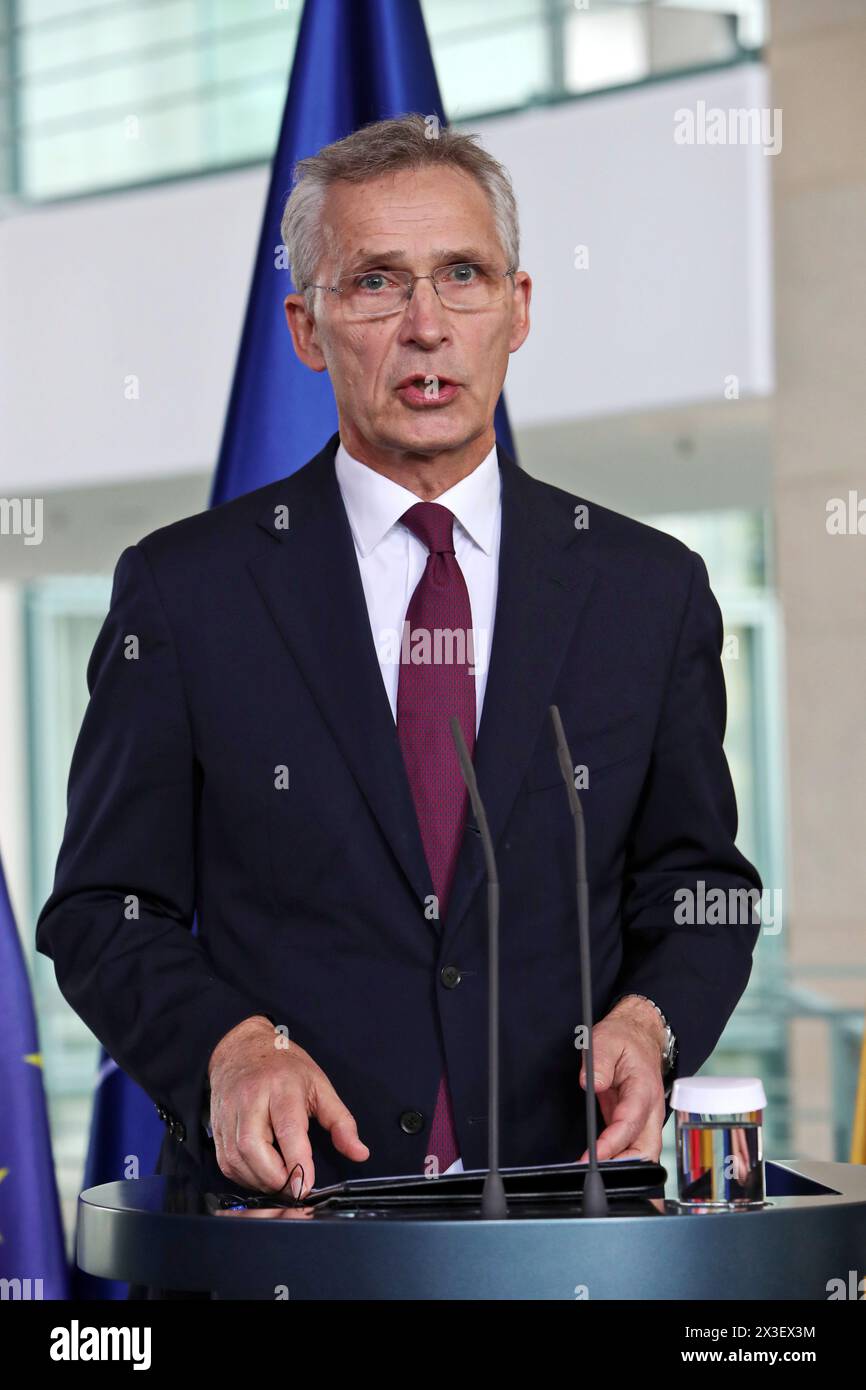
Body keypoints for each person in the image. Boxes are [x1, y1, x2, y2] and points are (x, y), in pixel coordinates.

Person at [37, 114, 761, 1215]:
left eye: (460, 275)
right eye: (376, 283)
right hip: (284, 1231)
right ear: (307, 326)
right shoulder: (187, 593)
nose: (425, 326)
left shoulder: (645, 589)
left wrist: (648, 1020)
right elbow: (103, 906)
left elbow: (699, 883)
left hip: (566, 1231)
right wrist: (228, 1048)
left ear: (515, 311)